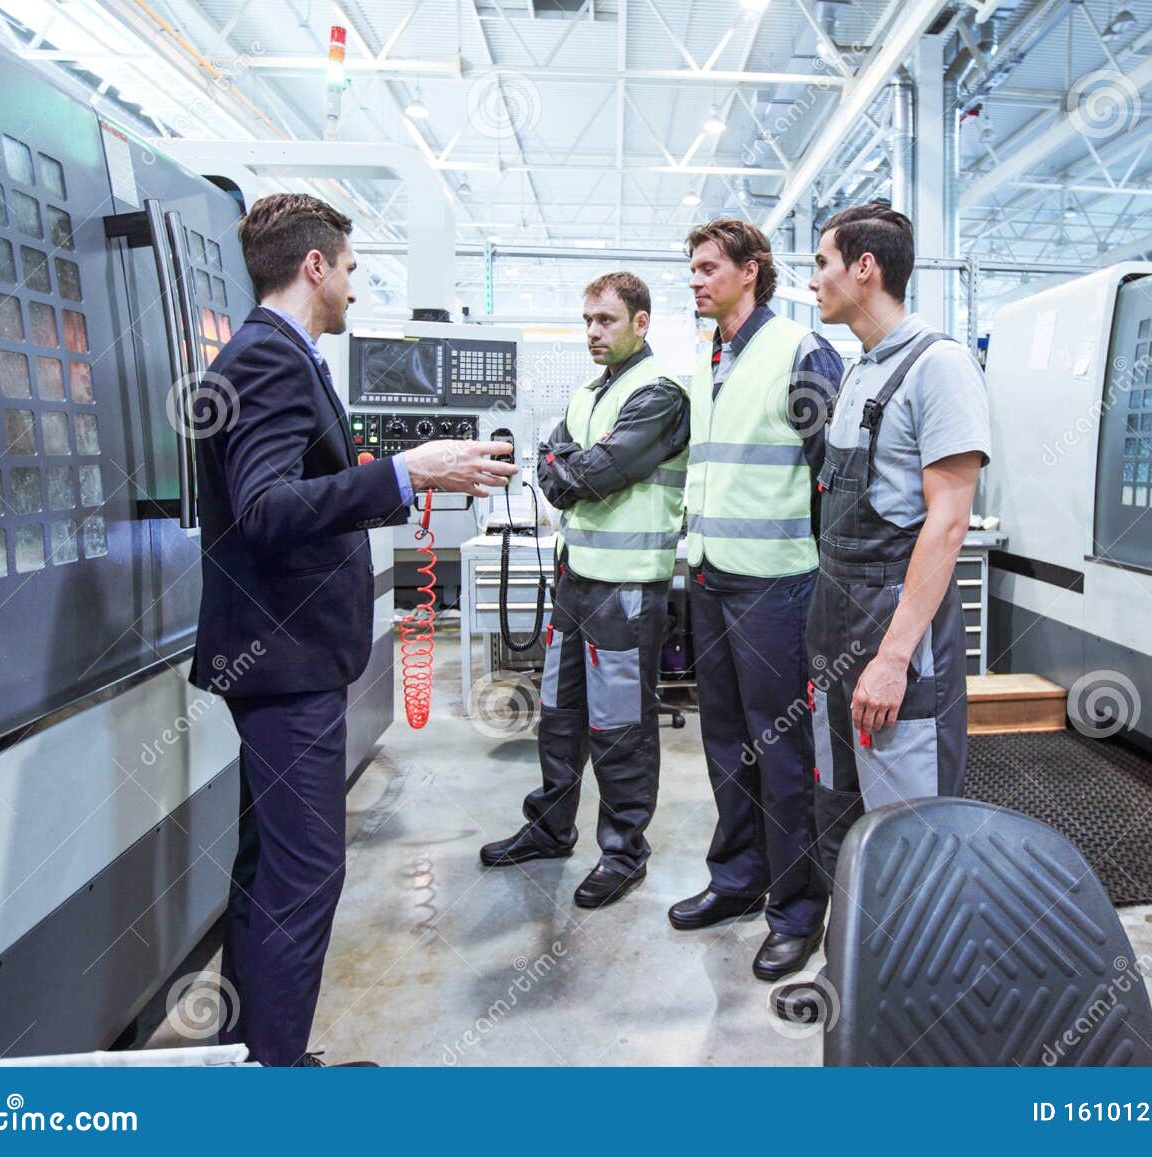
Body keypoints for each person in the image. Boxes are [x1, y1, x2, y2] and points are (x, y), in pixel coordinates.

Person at [192, 193, 516, 1065]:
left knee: (269, 871)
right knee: (305, 877)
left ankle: (249, 1057)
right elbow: (263, 508)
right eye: (351, 269)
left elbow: (290, 487)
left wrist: (400, 476)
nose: (355, 289)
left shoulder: (276, 355)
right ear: (314, 267)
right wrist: (405, 474)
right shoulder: (270, 359)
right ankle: (280, 1074)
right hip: (284, 662)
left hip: (285, 656)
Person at [777, 202, 990, 1020]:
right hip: (834, 619)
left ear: (866, 266)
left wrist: (895, 654)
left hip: (895, 630)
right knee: (838, 807)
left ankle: (923, 1007)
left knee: (909, 825)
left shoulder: (938, 368)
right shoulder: (859, 366)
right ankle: (856, 984)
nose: (815, 278)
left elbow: (947, 521)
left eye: (824, 261)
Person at [480, 273, 690, 909]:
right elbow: (555, 462)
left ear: (641, 322)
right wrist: (566, 468)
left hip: (627, 587)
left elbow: (594, 476)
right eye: (589, 320)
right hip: (576, 580)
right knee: (560, 713)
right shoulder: (587, 393)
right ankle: (550, 827)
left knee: (620, 725)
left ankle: (624, 851)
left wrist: (568, 470)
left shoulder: (659, 395)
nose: (594, 332)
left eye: (607, 320)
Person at [672, 219, 843, 983]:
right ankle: (739, 878)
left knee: (781, 749)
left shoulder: (799, 352)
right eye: (693, 268)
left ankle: (799, 908)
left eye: (709, 267)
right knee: (723, 739)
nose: (696, 279)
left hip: (775, 582)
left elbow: (834, 478)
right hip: (709, 578)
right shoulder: (710, 355)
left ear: (750, 271)